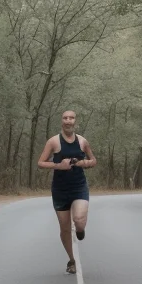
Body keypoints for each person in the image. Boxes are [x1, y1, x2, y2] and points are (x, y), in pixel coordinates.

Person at [37, 110, 97, 274]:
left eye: (71, 118)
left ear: (75, 122)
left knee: (78, 219)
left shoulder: (82, 141)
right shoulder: (54, 142)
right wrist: (58, 166)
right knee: (64, 229)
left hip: (79, 187)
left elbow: (93, 161)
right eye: (65, 118)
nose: (68, 121)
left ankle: (80, 229)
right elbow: (40, 163)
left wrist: (83, 163)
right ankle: (71, 260)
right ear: (62, 121)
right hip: (60, 189)